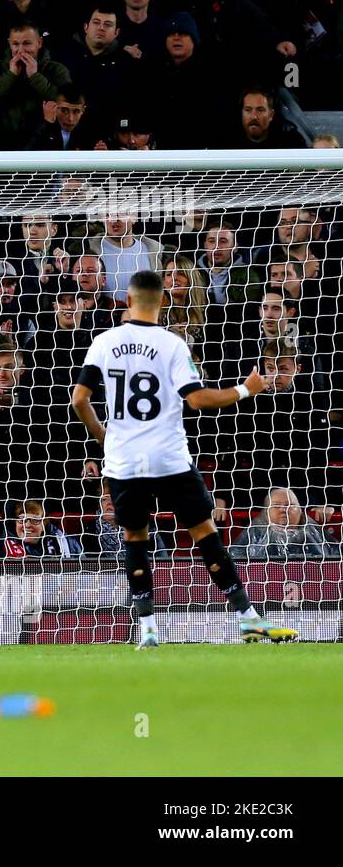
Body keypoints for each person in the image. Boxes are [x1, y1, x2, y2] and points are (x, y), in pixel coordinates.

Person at [70, 269, 297, 648]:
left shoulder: (104, 342)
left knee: (135, 539)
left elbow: (79, 399)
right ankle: (249, 620)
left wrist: (105, 439)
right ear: (161, 302)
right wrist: (246, 389)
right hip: (169, 458)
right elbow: (196, 399)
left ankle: (147, 632)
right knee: (205, 535)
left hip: (124, 461)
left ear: (127, 299)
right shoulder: (172, 345)